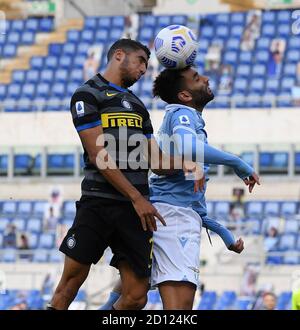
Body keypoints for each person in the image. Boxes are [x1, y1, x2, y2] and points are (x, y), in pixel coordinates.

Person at [46, 39, 195, 311]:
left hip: (135, 211)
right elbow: (98, 155)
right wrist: (136, 197)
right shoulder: (87, 94)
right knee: (68, 286)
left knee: (137, 296)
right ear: (119, 55)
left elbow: (157, 161)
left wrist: (190, 163)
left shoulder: (138, 106)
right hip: (98, 203)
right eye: (140, 61)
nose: (143, 70)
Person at [100, 66, 260, 310]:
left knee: (130, 297)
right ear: (184, 95)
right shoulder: (183, 114)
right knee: (178, 308)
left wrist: (227, 239)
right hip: (173, 220)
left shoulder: (182, 118)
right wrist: (238, 164)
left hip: (168, 213)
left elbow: (198, 211)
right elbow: (188, 147)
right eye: (197, 78)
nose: (206, 79)